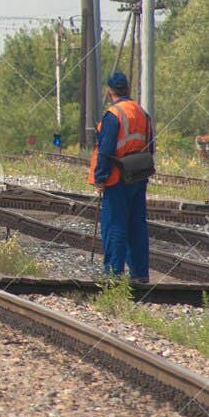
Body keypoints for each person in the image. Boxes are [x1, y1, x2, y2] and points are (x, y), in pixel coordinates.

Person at [89, 70, 152, 281]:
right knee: (137, 226)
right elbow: (150, 146)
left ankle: (114, 274)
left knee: (114, 224)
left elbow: (106, 150)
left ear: (109, 92)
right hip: (138, 174)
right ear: (127, 89)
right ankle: (140, 274)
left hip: (116, 178)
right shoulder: (142, 113)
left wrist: (100, 178)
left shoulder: (113, 115)